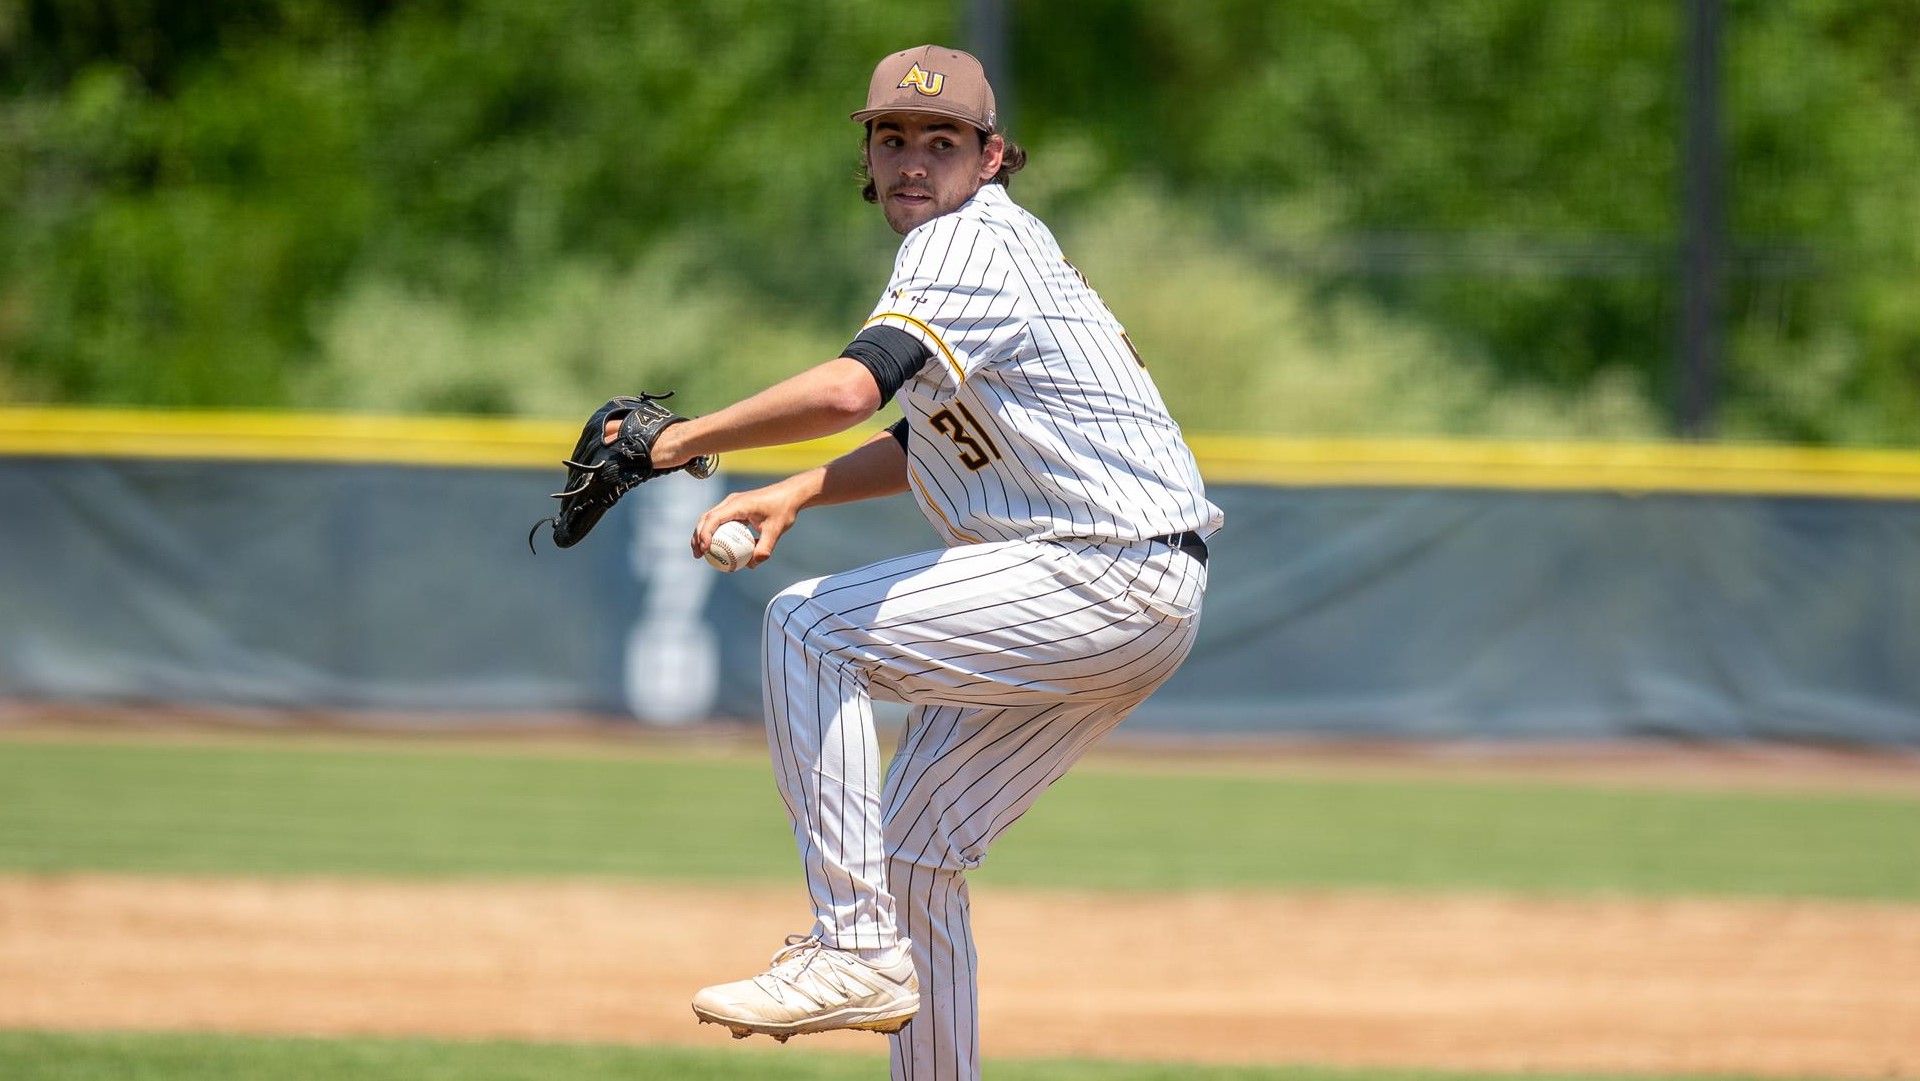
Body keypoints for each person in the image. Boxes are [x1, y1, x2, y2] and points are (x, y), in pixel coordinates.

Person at [638, 44, 1222, 1081]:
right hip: (1133, 591)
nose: (915, 161)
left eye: (942, 141)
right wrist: (798, 488)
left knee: (809, 628)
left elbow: (853, 390)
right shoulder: (998, 249)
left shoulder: (962, 244)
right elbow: (943, 434)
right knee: (912, 856)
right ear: (867, 153)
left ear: (991, 156)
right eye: (893, 138)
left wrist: (680, 441)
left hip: (1094, 570)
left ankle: (852, 948)